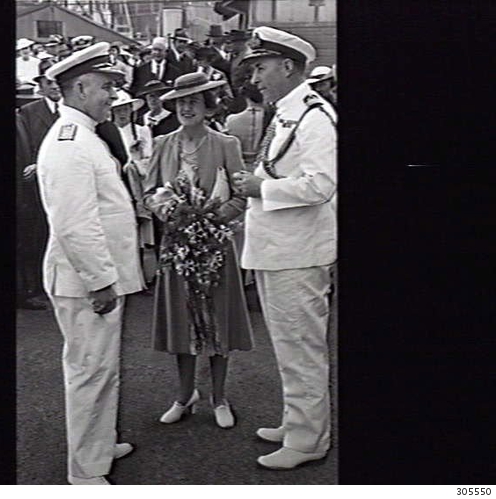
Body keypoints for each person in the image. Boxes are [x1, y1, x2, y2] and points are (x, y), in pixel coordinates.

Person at [35, 41, 144, 485]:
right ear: (79, 87)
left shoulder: (82, 136)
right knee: (89, 371)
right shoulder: (69, 143)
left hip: (93, 278)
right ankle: (85, 473)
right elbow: (75, 224)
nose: (113, 96)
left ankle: (99, 444)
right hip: (85, 281)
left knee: (101, 368)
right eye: (106, 86)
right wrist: (100, 281)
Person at [233, 26, 337, 470]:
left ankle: (309, 439)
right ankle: (297, 422)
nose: (255, 77)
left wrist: (261, 188)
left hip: (298, 252)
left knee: (302, 349)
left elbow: (322, 183)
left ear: (288, 67)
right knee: (289, 347)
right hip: (280, 249)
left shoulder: (315, 116)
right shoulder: (289, 113)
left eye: (261, 67)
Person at [143, 72, 253, 429]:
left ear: (207, 106)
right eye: (180, 101)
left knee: (219, 320)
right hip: (176, 245)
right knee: (181, 322)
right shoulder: (162, 144)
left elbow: (241, 195)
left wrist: (213, 219)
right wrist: (168, 211)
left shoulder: (226, 144)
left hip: (216, 245)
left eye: (194, 101)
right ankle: (185, 394)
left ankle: (219, 398)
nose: (186, 107)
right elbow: (148, 193)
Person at [16, 58, 62, 310]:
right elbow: (26, 149)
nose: (54, 86)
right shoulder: (29, 112)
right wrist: (37, 164)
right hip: (36, 189)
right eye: (49, 82)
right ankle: (36, 286)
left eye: (57, 81)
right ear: (41, 85)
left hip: (62, 184)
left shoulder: (71, 111)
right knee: (36, 236)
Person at [110, 90, 156, 285]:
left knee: (143, 235)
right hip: (117, 186)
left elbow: (150, 162)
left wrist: (136, 159)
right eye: (119, 109)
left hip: (138, 186)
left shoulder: (142, 131)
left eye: (126, 108)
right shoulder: (108, 131)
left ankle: (143, 278)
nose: (123, 113)